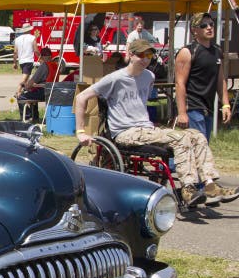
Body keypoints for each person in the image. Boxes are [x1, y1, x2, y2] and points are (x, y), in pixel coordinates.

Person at [74, 39, 239, 208]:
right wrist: (80, 131)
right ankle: (188, 189)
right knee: (180, 139)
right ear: (131, 55)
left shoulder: (149, 76)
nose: (146, 59)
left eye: (149, 55)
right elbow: (81, 97)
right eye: (141, 55)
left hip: (146, 129)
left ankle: (210, 184)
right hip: (126, 132)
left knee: (197, 136)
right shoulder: (115, 78)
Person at [174, 12, 232, 142]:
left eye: (211, 24)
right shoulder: (187, 52)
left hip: (208, 107)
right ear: (194, 30)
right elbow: (179, 83)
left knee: (198, 147)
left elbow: (220, 79)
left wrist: (226, 105)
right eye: (204, 25)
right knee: (199, 146)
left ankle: (174, 162)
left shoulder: (217, 50)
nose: (209, 27)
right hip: (193, 107)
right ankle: (172, 163)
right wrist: (182, 113)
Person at [16, 46, 52, 122]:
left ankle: (27, 118)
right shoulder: (55, 65)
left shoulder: (44, 66)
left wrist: (23, 88)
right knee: (31, 93)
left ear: (41, 56)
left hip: (43, 92)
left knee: (21, 96)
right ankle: (35, 117)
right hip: (52, 91)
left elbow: (31, 83)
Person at [13, 24, 38, 94]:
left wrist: (15, 63)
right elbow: (36, 50)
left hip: (21, 61)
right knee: (24, 78)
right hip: (28, 60)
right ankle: (18, 91)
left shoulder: (17, 39)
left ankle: (26, 91)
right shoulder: (32, 38)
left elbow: (15, 52)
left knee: (27, 77)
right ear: (29, 29)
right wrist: (41, 58)